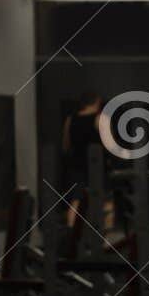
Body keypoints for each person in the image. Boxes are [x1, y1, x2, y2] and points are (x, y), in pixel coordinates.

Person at [61, 91, 104, 227]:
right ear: (97, 102)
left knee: (76, 200)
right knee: (105, 200)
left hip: (77, 164)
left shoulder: (70, 119)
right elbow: (110, 146)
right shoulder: (99, 119)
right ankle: (105, 240)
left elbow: (66, 145)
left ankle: (71, 236)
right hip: (96, 165)